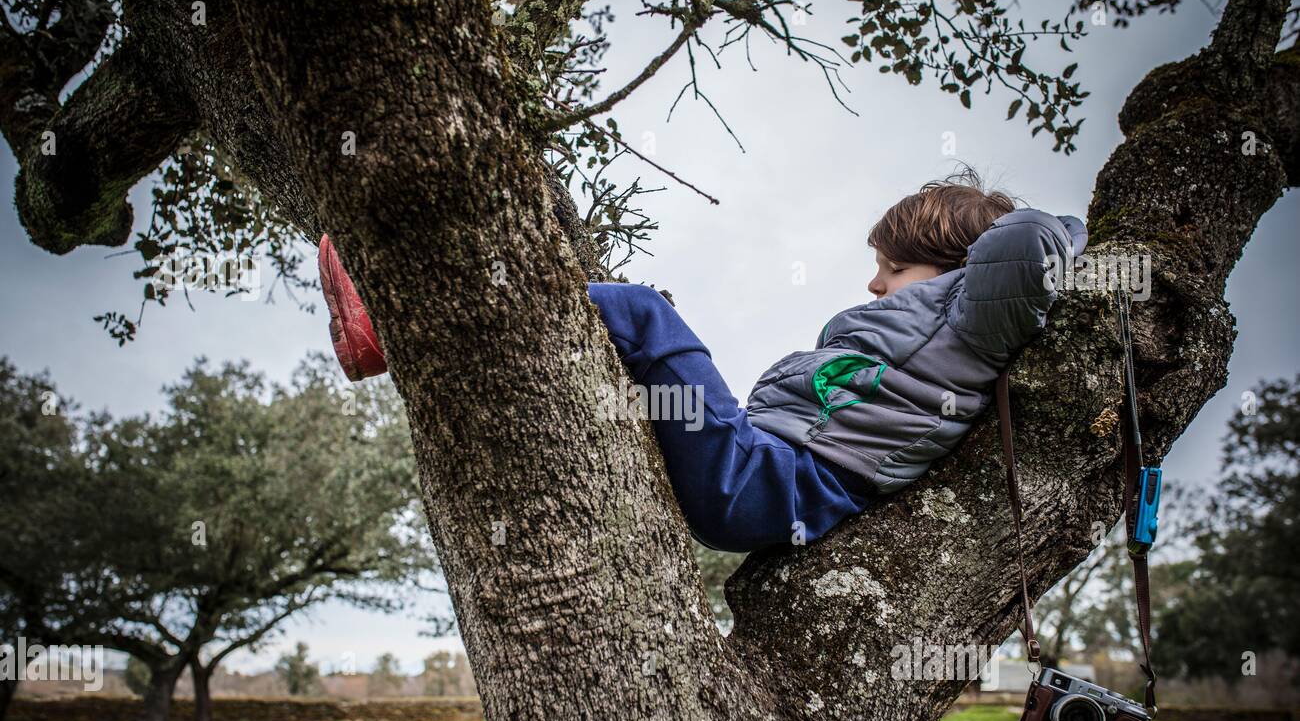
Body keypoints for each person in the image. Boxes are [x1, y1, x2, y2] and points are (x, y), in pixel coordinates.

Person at [316, 171, 1087, 553]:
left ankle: (400, 322)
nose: (874, 283)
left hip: (774, 484)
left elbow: (1024, 245)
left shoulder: (971, 318)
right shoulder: (945, 321)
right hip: (768, 482)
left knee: (641, 311)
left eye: (893, 267)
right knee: (635, 348)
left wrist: (1076, 230)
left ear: (958, 265)